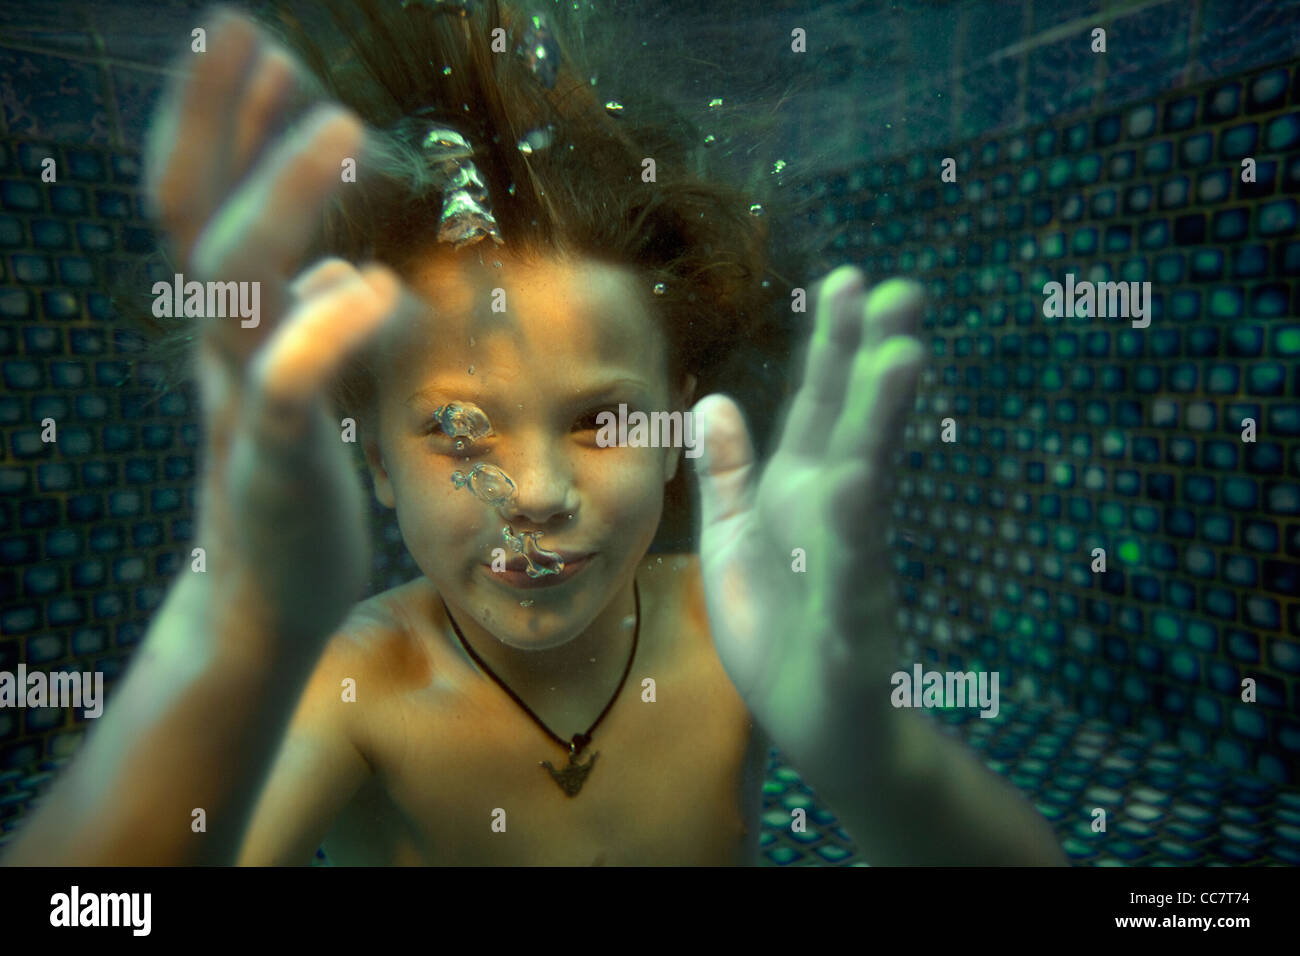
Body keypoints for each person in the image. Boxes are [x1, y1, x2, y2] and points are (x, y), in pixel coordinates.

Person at [2, 1, 1066, 866]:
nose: (539, 489)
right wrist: (221, 634)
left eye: (601, 419)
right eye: (459, 429)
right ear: (373, 458)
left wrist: (875, 758)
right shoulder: (357, 687)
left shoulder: (747, 629)